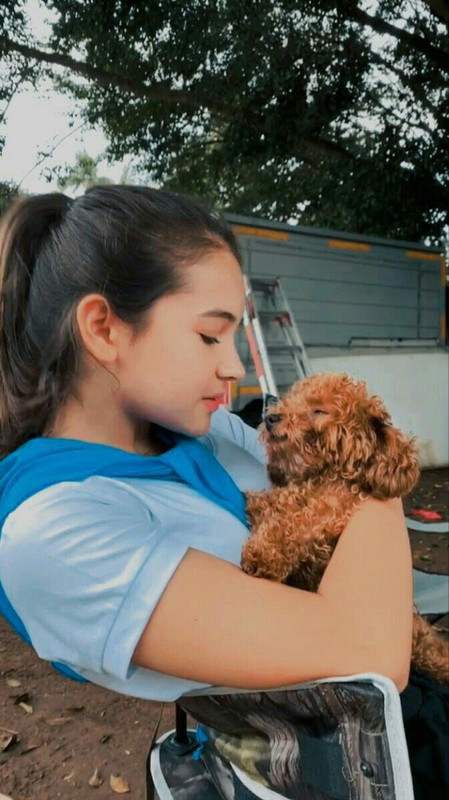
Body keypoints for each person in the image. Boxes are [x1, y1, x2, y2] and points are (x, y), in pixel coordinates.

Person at [0, 186, 413, 708]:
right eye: (210, 336)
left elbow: (341, 477)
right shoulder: (52, 531)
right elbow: (373, 650)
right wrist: (374, 477)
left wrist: (358, 481)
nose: (235, 367)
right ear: (103, 329)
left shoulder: (211, 431)